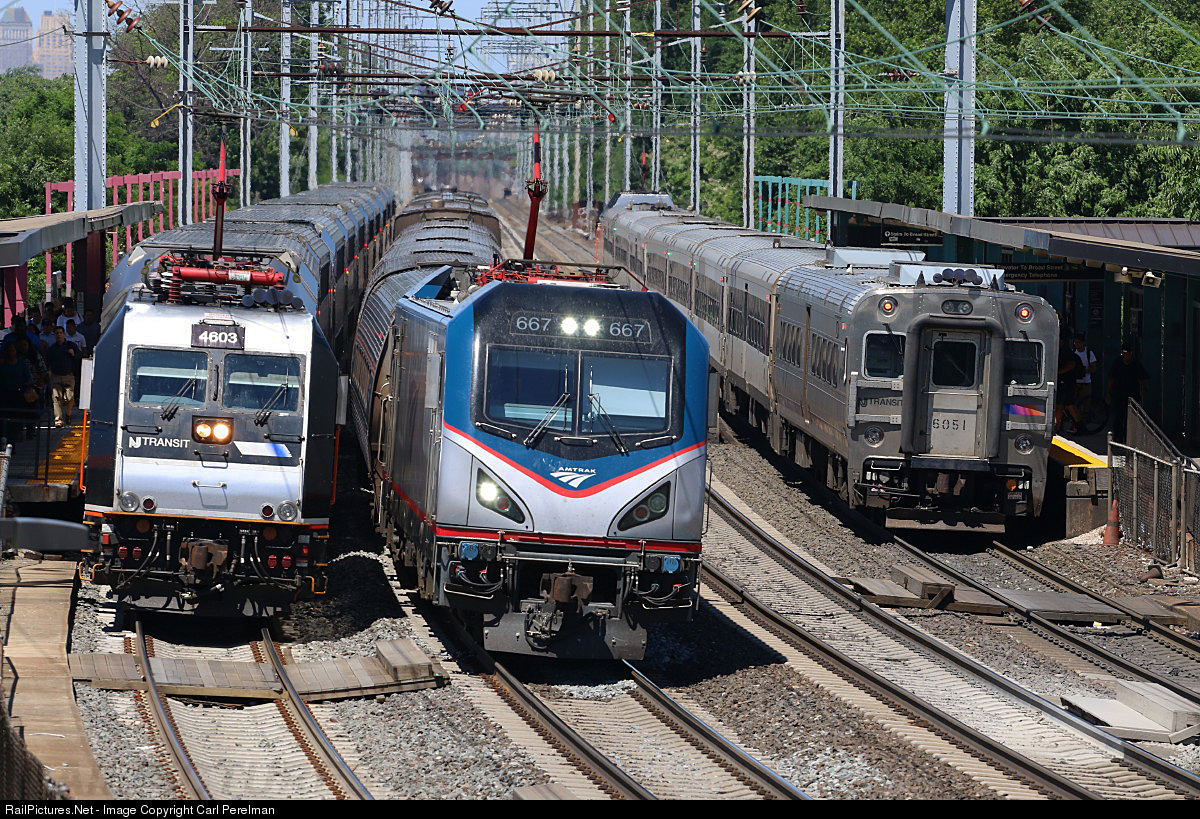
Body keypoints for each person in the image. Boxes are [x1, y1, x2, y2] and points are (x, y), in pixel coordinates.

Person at [1108, 346, 1149, 444]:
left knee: (1130, 418)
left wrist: (1143, 389)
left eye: (1128, 353)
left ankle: (1129, 439)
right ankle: (1118, 439)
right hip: (1118, 393)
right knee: (1118, 417)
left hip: (1132, 394)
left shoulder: (1136, 363)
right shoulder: (1117, 362)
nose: (1126, 355)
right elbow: (1111, 378)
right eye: (1124, 353)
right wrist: (1109, 392)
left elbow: (1143, 378)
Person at [44, 327, 79, 427]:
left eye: (60, 333)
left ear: (64, 334)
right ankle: (58, 419)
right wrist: (48, 371)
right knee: (56, 397)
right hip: (56, 375)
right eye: (56, 333)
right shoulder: (52, 349)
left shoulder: (71, 345)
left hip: (68, 375)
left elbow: (80, 356)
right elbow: (47, 360)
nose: (59, 335)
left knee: (70, 397)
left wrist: (73, 354)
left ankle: (68, 414)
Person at [1055, 345, 1081, 433]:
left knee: (1065, 406)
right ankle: (1058, 426)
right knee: (1064, 406)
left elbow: (1071, 365)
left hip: (1066, 383)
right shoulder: (1063, 351)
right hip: (1064, 383)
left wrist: (1058, 373)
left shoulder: (1066, 352)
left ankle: (1079, 425)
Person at [1072, 334, 1098, 422]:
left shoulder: (1089, 353)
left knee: (1085, 404)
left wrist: (1083, 371)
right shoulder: (1073, 353)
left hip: (1086, 383)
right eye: (1075, 342)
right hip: (1075, 383)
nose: (1077, 344)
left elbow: (1093, 368)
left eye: (1078, 342)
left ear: (1083, 343)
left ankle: (1084, 420)